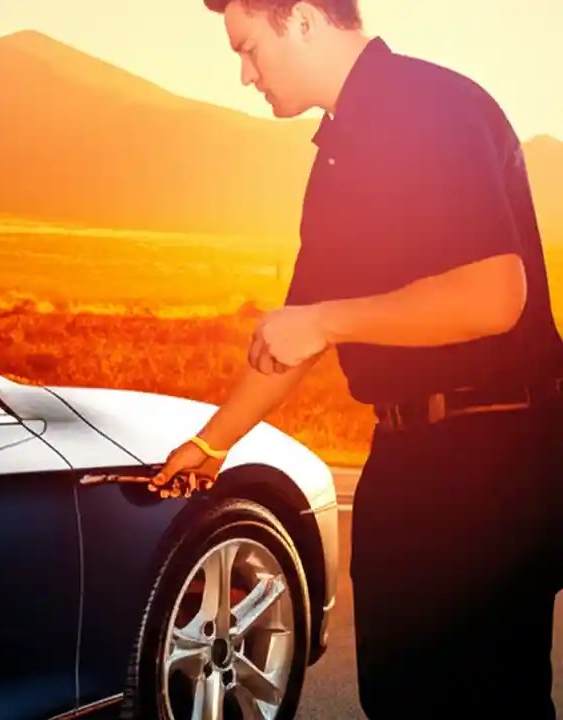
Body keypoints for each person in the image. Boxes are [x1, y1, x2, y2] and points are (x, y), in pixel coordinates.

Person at [93, 1, 563, 717]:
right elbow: (292, 335)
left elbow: (495, 294)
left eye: (250, 49)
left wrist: (326, 320)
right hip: (410, 462)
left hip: (492, 462)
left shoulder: (432, 105)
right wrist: (211, 443)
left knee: (478, 700)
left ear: (304, 19)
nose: (245, 75)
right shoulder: (341, 153)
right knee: (401, 694)